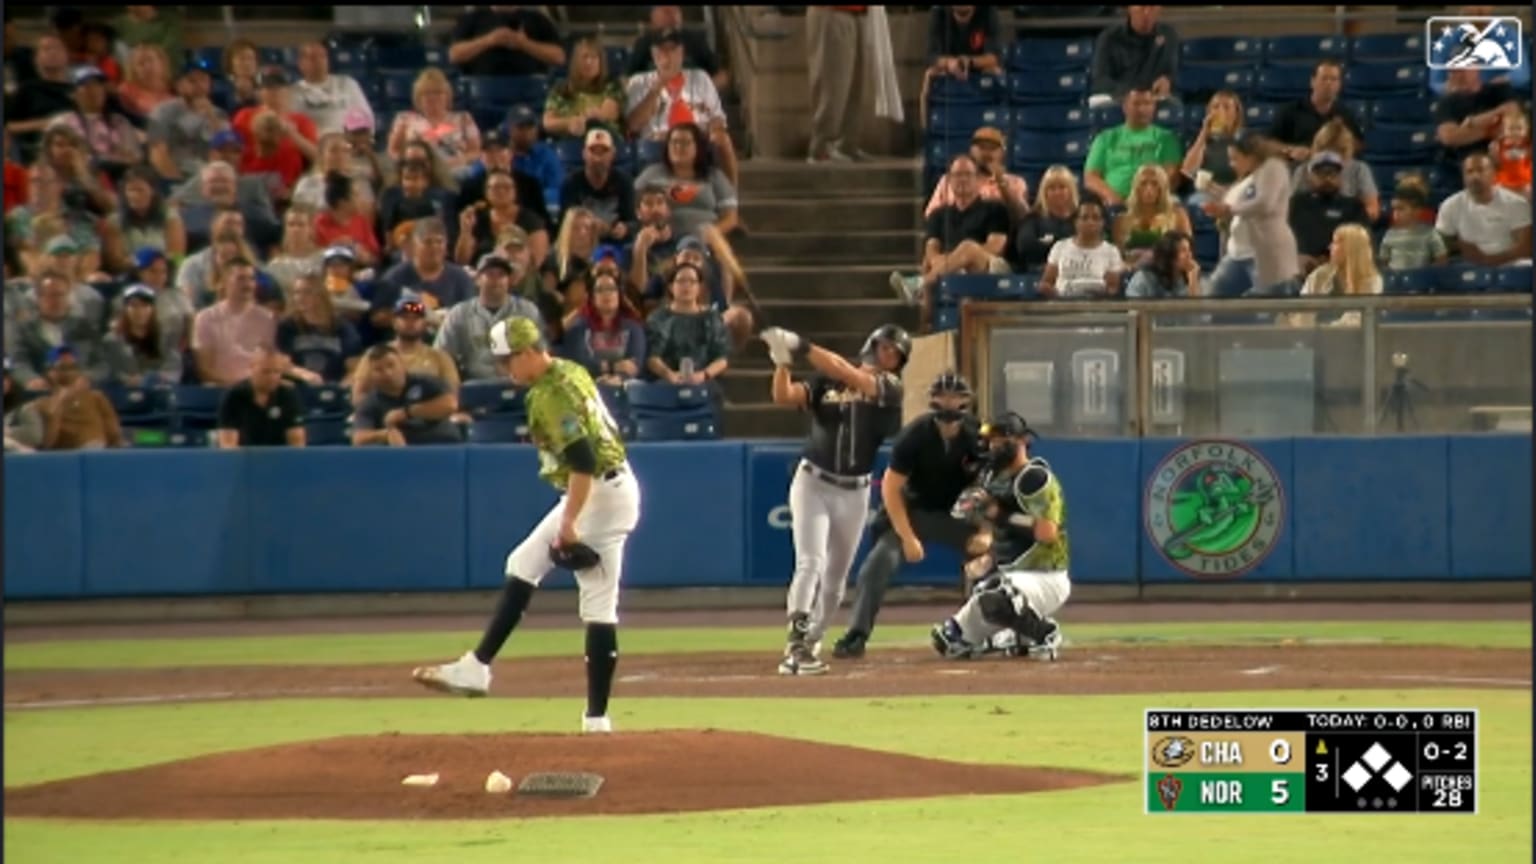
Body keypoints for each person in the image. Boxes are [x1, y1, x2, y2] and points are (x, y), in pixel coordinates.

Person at [412, 316, 640, 736]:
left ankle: (596, 720)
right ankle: (477, 666)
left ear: (529, 351)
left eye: (507, 361)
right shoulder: (570, 369)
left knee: (598, 605)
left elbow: (585, 461)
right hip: (603, 487)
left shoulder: (549, 396)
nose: (504, 370)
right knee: (523, 562)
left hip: (599, 494)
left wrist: (570, 523)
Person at [758, 323, 909, 676]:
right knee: (809, 561)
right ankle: (795, 644)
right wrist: (782, 362)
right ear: (872, 344)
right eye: (884, 347)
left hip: (854, 489)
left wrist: (801, 343)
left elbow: (847, 372)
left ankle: (812, 641)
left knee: (836, 578)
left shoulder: (890, 388)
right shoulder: (826, 383)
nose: (887, 355)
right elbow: (784, 396)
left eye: (894, 353)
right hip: (812, 480)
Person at [832, 372, 983, 659]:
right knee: (878, 563)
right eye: (943, 397)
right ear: (933, 401)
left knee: (990, 559)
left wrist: (985, 529)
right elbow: (891, 489)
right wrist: (908, 537)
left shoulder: (977, 436)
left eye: (955, 397)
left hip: (955, 517)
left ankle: (984, 632)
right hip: (912, 514)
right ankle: (857, 634)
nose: (949, 403)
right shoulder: (914, 435)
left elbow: (990, 485)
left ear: (966, 401)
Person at [932, 413, 1068, 661]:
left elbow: (1047, 532)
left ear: (1021, 440)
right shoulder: (990, 477)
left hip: (1045, 576)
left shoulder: (1034, 477)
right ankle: (1013, 636)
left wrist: (1000, 514)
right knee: (950, 639)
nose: (993, 445)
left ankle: (1043, 633)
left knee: (998, 594)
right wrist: (986, 548)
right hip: (1008, 572)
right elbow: (988, 528)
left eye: (1000, 439)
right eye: (990, 440)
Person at [350, 344, 462, 447]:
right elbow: (358, 439)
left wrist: (407, 413)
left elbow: (450, 405)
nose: (387, 373)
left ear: (402, 365)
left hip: (444, 446)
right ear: (372, 375)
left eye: (391, 365)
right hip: (404, 456)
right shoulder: (370, 401)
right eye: (378, 370)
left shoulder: (426, 382)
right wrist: (385, 434)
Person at [215, 347, 306, 448]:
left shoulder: (287, 395)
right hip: (244, 459)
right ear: (252, 368)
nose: (272, 377)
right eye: (266, 372)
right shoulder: (233, 396)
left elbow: (297, 442)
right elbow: (228, 444)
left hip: (280, 459)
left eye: (276, 372)